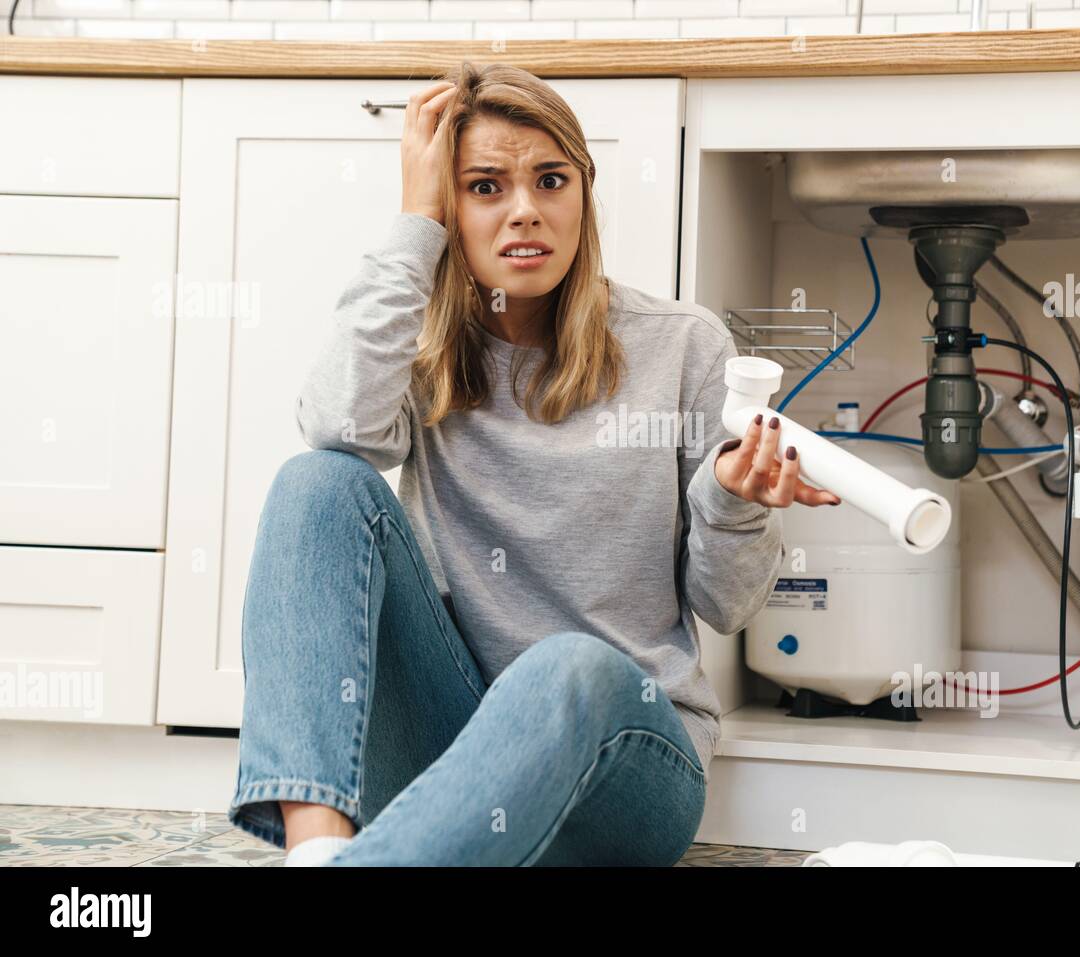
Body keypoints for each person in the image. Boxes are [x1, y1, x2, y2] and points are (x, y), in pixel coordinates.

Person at [227, 61, 839, 867]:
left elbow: (728, 606)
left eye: (551, 181)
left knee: (569, 664)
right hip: (454, 750)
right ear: (451, 206)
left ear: (583, 194)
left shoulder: (685, 346)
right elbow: (337, 424)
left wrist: (734, 499)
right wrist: (415, 222)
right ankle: (317, 856)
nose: (525, 211)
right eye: (485, 187)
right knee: (315, 481)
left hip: (626, 762)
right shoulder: (419, 345)